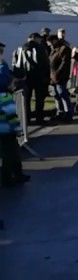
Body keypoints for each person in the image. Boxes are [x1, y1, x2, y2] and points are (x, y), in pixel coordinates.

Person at [0, 42, 29, 187]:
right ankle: (12, 176)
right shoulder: (4, 97)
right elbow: (11, 115)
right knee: (11, 154)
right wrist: (18, 130)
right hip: (6, 130)